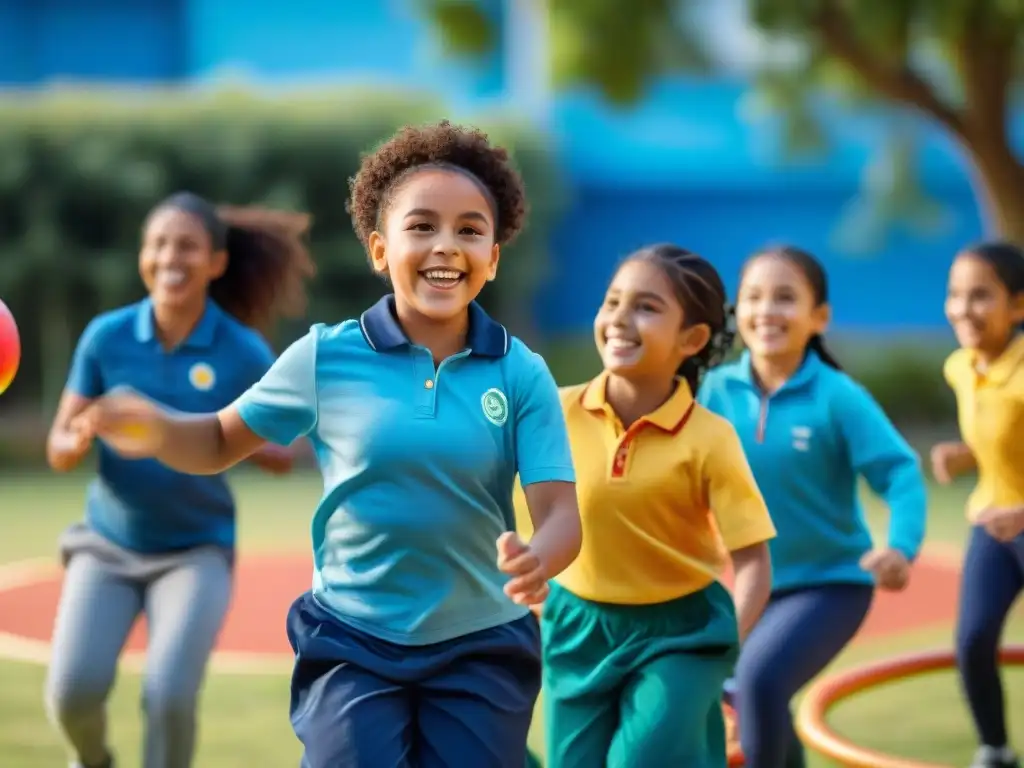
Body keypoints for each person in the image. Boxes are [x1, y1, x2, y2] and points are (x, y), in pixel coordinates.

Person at [82, 121, 583, 768]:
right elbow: (213, 442)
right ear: (379, 249)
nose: (446, 246)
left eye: (469, 230)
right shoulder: (324, 357)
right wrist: (157, 427)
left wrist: (541, 558)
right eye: (422, 226)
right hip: (353, 638)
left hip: (481, 641)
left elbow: (561, 515)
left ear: (493, 256)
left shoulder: (521, 373)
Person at [44, 192, 315, 768]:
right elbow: (58, 445)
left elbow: (287, 449)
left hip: (196, 554)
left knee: (168, 696)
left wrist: (222, 441)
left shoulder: (241, 351)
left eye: (187, 245)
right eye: (159, 244)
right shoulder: (106, 336)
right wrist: (83, 433)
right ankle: (92, 760)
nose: (171, 257)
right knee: (71, 694)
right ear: (144, 255)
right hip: (107, 547)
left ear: (215, 262)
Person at [517, 244, 776, 768]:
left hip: (684, 634)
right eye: (613, 301)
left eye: (646, 307)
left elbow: (753, 562)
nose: (620, 319)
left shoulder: (710, 439)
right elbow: (523, 525)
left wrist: (728, 647)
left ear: (693, 339)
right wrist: (533, 589)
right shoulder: (552, 412)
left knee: (640, 761)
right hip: (576, 626)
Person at [699, 245, 928, 768]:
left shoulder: (837, 396)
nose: (767, 311)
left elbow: (900, 472)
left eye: (785, 298)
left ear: (819, 316)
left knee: (755, 680)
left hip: (831, 585)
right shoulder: (714, 390)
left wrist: (901, 547)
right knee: (753, 693)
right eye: (754, 297)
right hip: (753, 588)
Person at [932, 241, 1024, 768]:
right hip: (992, 523)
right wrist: (964, 457)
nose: (963, 309)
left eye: (981, 296)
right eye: (955, 294)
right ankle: (996, 750)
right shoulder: (959, 367)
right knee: (972, 640)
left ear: (1017, 306)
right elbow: (1006, 442)